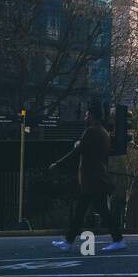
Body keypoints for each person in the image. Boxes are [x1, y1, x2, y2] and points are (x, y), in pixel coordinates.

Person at [50, 99, 126, 252]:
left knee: (90, 211)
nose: (85, 118)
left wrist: (57, 164)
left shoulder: (91, 131)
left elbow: (76, 152)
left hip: (92, 179)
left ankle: (117, 239)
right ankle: (69, 241)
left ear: (92, 116)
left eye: (86, 115)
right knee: (88, 210)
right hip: (98, 177)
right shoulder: (104, 132)